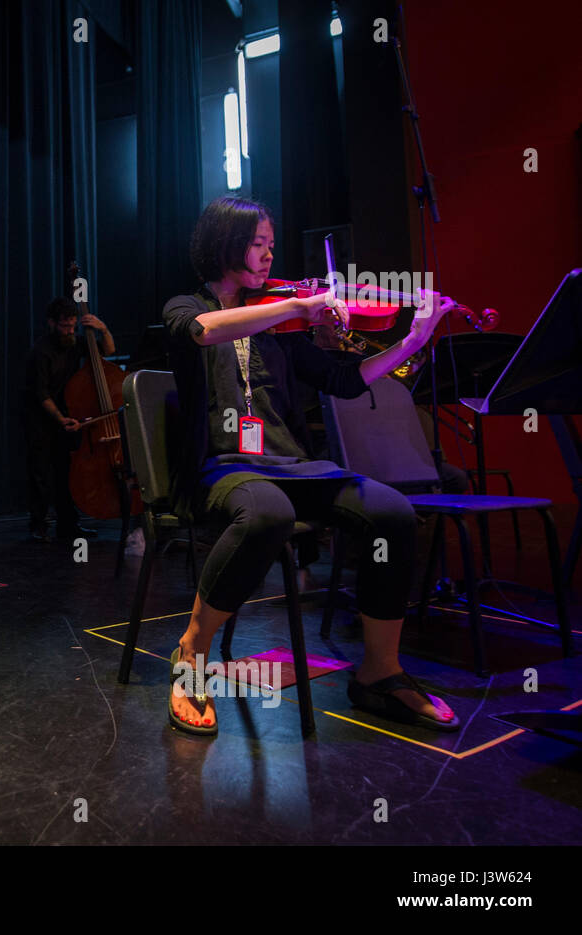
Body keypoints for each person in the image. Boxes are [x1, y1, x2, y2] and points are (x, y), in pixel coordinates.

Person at [161, 195, 460, 735]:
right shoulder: (186, 306)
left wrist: (414, 339)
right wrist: (299, 307)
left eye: (272, 245)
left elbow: (344, 380)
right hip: (221, 467)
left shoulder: (282, 326)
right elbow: (205, 330)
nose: (269, 256)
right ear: (225, 244)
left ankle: (379, 672)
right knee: (267, 513)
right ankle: (192, 651)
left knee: (391, 513)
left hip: (290, 465)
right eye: (258, 244)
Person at [22, 297, 113, 542]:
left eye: (73, 325)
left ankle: (69, 525)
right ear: (51, 323)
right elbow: (41, 395)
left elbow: (108, 351)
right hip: (41, 418)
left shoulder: (75, 342)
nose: (70, 331)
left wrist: (102, 328)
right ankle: (38, 525)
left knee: (67, 474)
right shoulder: (40, 352)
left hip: (68, 415)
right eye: (65, 326)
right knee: (41, 474)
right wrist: (61, 419)